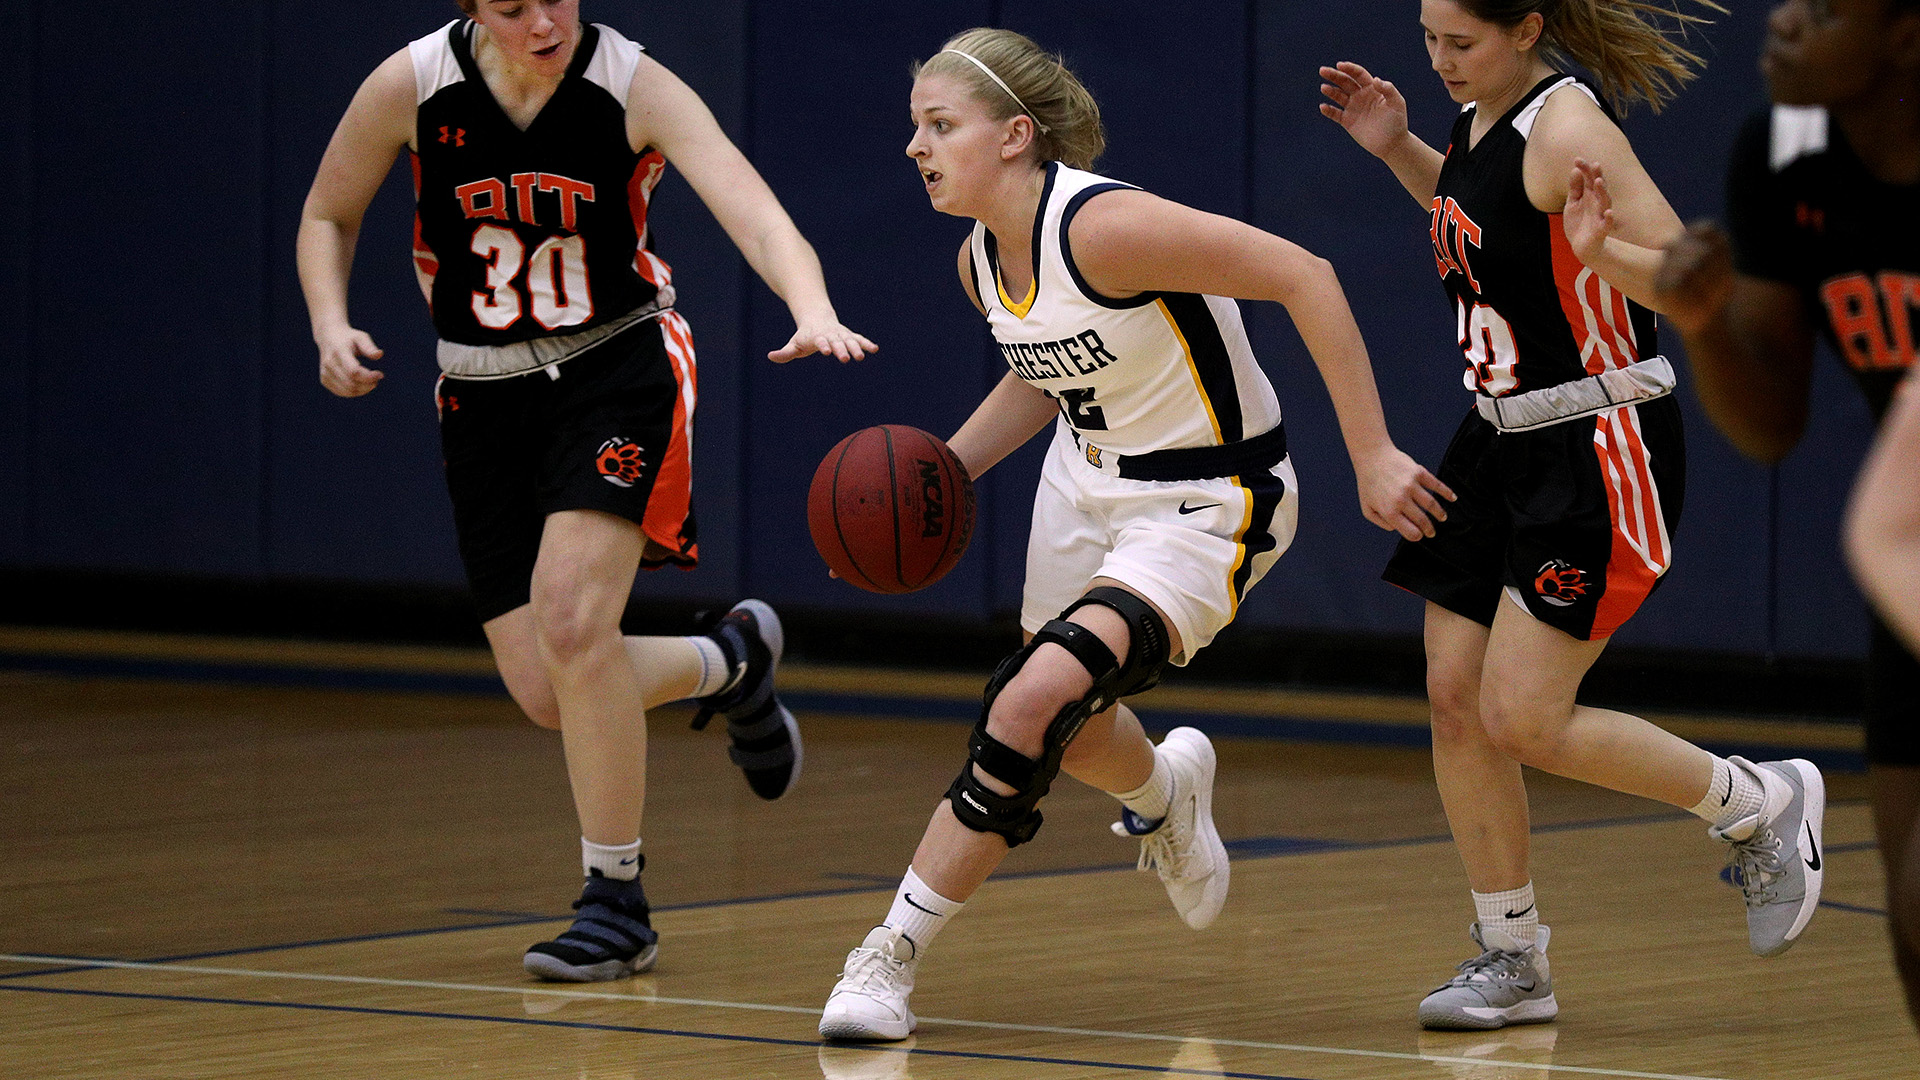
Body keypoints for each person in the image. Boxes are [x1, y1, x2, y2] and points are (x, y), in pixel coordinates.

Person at [817, 27, 1452, 1042]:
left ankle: (888, 957)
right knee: (1059, 725)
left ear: (1017, 135)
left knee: (1026, 700)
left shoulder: (1108, 227)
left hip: (1207, 503)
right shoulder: (980, 263)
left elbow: (1308, 273)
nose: (916, 147)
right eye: (914, 128)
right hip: (1084, 488)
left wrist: (1371, 453)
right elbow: (1052, 370)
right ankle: (1166, 796)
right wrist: (938, 476)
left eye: (940, 125)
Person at [296, 0, 876, 983]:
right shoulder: (414, 84)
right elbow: (327, 211)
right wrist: (329, 321)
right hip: (478, 396)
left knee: (574, 628)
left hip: (616, 371)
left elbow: (752, 206)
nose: (545, 20)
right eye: (515, 6)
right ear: (472, 8)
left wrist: (811, 305)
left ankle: (617, 901)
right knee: (546, 690)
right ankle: (730, 660)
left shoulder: (630, 84)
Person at [1320, 0, 1825, 1032]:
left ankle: (1755, 800)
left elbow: (1701, 291)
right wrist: (1400, 150)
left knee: (1523, 718)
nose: (1441, 61)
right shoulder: (1475, 123)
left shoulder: (1572, 130)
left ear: (1526, 28)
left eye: (1461, 42)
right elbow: (1491, 226)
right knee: (1454, 697)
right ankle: (1513, 958)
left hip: (1599, 443)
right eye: (1428, 39)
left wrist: (1603, 254)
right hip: (1495, 438)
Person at [1657, 0, 1920, 1027]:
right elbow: (1771, 425)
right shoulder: (1786, 150)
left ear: (1903, 33)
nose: (1784, 21)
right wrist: (1707, 325)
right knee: (1910, 919)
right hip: (1910, 558)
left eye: (1825, 7)